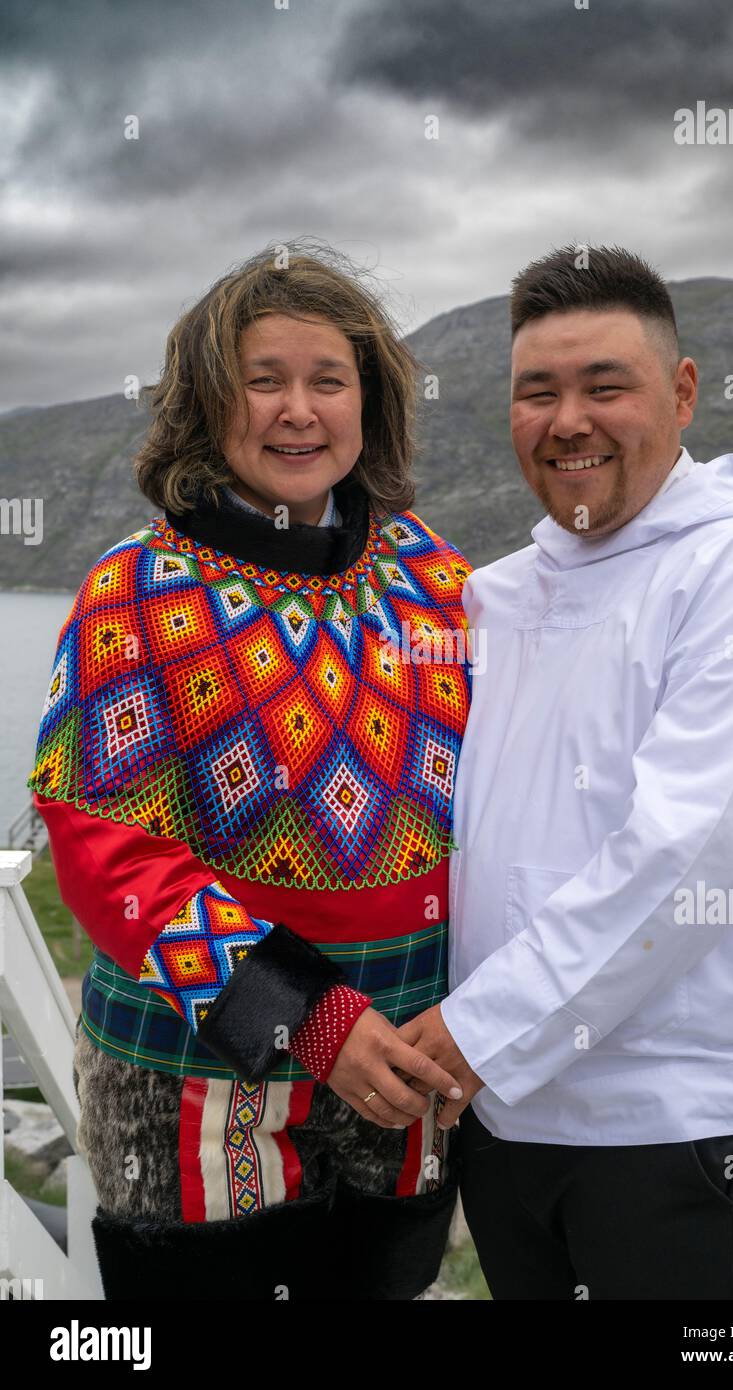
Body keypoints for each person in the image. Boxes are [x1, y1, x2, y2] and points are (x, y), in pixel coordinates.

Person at [397, 244, 733, 1300]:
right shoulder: (498, 597)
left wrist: (472, 1031)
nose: (568, 421)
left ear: (682, 392)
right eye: (536, 392)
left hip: (663, 1138)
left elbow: (680, 856)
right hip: (505, 1123)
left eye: (606, 385)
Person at [27, 241, 473, 1301]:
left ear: (370, 405)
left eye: (328, 380)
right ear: (207, 407)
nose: (297, 410)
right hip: (193, 1082)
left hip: (409, 1067)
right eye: (262, 381)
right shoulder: (138, 593)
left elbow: (503, 793)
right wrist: (309, 1019)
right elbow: (104, 849)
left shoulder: (435, 583)